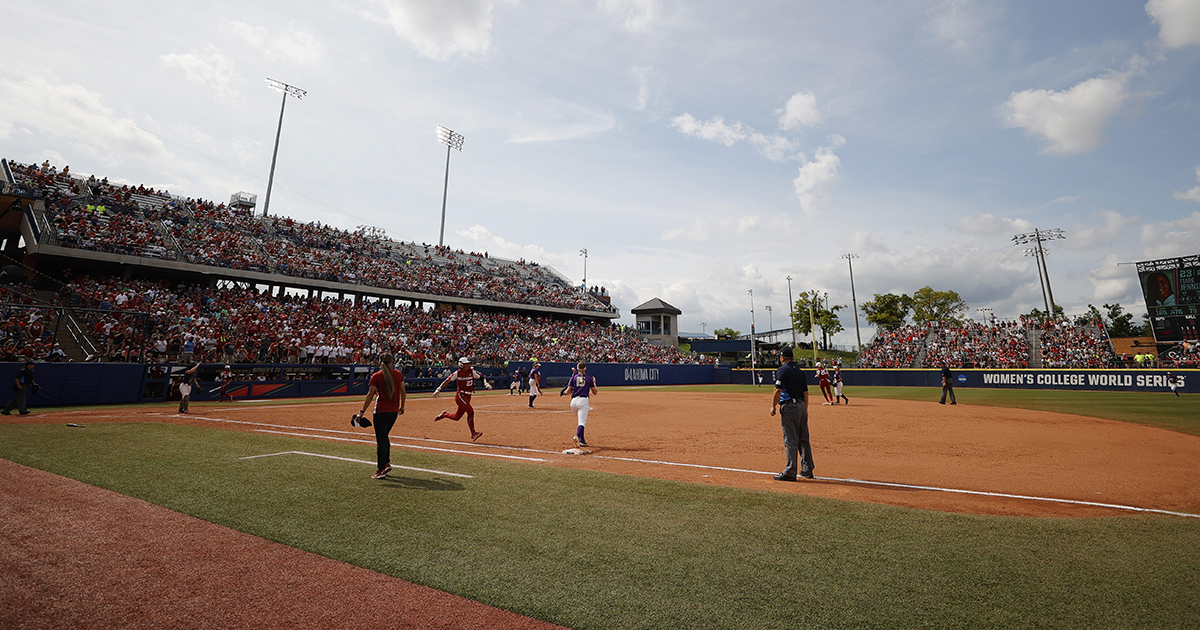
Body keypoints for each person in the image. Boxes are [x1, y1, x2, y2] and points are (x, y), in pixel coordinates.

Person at [353, 353, 407, 479]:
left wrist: (361, 412)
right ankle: (386, 462)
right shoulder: (398, 374)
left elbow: (370, 395)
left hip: (380, 411)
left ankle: (380, 469)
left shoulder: (377, 376)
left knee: (381, 440)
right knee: (384, 437)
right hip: (393, 412)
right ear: (391, 362)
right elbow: (403, 391)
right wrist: (403, 406)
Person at [770, 348, 813, 481]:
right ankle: (807, 469)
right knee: (804, 439)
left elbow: (778, 390)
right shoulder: (800, 371)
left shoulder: (782, 370)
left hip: (790, 406)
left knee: (790, 439)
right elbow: (806, 393)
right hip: (801, 406)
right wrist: (805, 410)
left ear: (782, 358)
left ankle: (790, 471)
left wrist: (772, 406)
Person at [433, 356, 491, 441]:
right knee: (470, 411)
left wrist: (486, 384)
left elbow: (482, 377)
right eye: (466, 364)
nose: (468, 366)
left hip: (468, 396)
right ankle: (473, 433)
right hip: (460, 396)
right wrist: (438, 389)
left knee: (457, 417)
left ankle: (444, 415)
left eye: (468, 364)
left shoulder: (472, 372)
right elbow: (447, 380)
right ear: (461, 365)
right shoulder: (457, 373)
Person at [566, 362, 598, 448]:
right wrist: (594, 382)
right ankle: (577, 437)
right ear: (585, 369)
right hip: (583, 401)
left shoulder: (573, 378)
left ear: (578, 369)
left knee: (581, 420)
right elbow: (595, 392)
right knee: (582, 422)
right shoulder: (589, 378)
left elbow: (567, 392)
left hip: (573, 402)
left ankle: (582, 440)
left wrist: (563, 392)